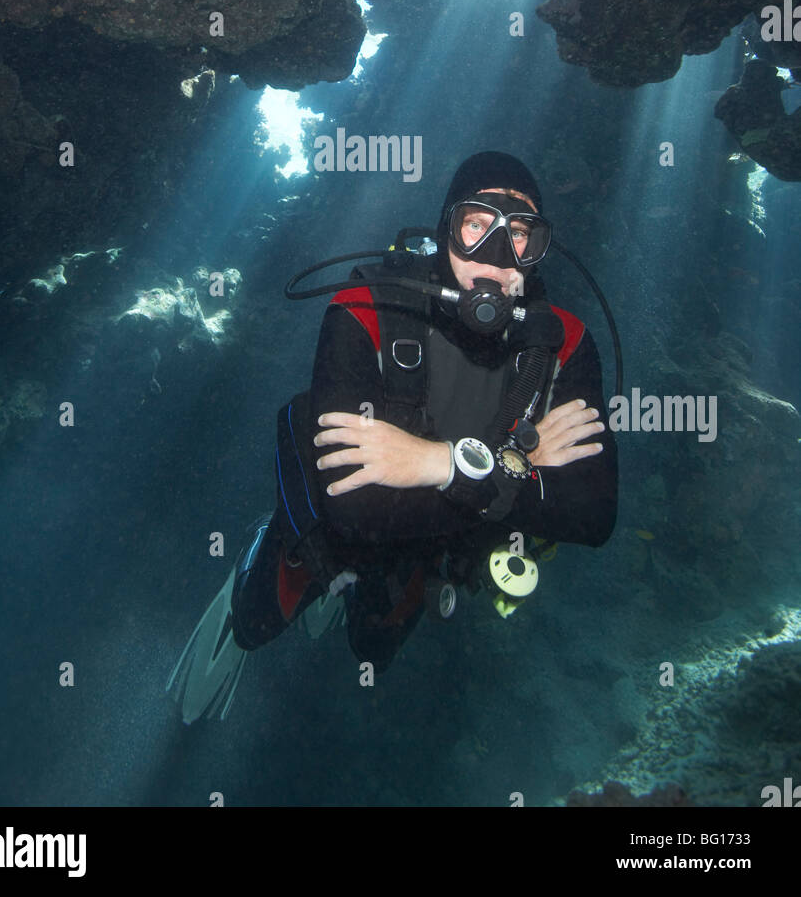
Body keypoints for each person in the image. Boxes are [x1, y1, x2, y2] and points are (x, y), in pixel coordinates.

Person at [168, 151, 618, 721]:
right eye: (477, 227)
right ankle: (274, 546)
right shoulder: (366, 306)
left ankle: (359, 597)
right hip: (341, 535)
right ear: (446, 227)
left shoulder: (564, 343)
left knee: (371, 651)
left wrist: (441, 464)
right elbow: (352, 511)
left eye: (522, 235)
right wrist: (519, 473)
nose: (498, 259)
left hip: (437, 550)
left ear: (538, 249)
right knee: (257, 625)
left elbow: (594, 517)